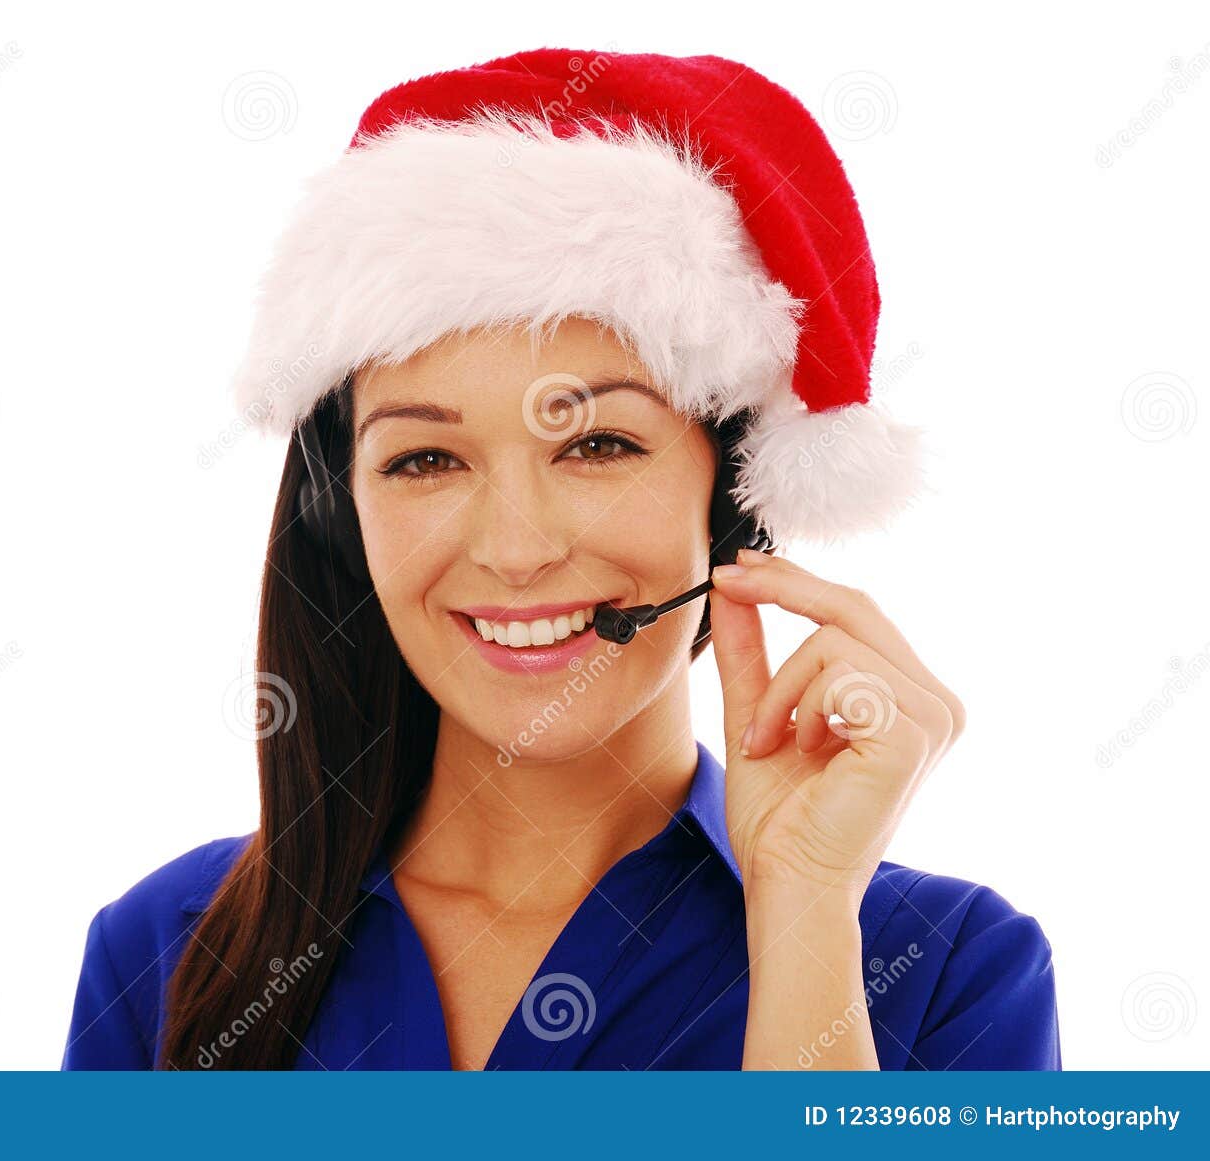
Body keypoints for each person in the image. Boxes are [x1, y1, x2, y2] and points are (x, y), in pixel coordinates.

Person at [61, 47, 1060, 1071]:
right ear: (341, 510)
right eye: (425, 459)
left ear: (729, 498)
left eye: (596, 446)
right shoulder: (165, 953)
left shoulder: (948, 973)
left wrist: (803, 907)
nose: (516, 550)